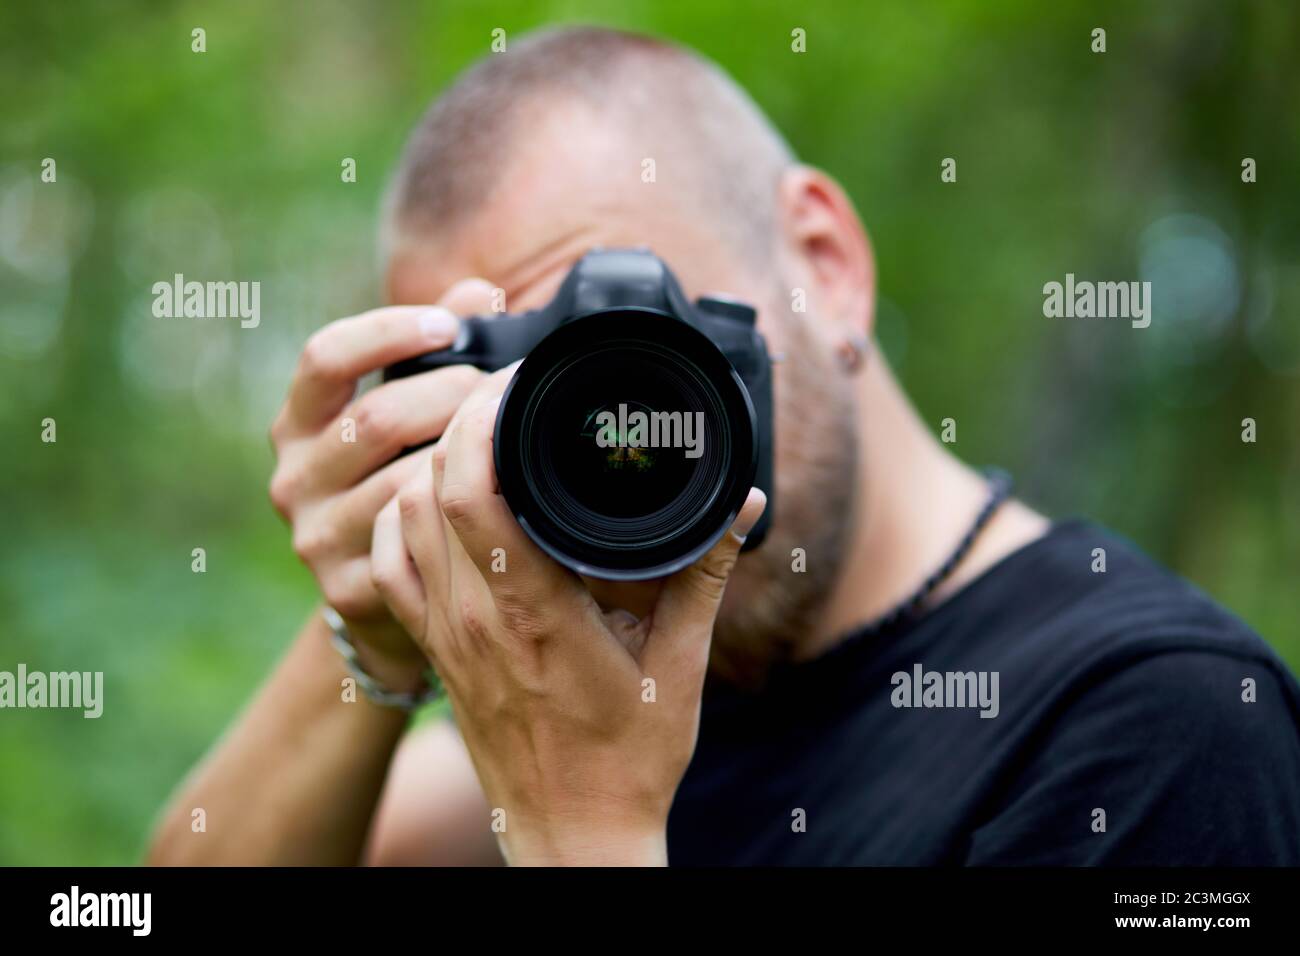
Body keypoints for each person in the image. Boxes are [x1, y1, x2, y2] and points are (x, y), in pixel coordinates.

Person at [148, 26, 1300, 867]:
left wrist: (586, 837)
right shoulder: (620, 681)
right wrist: (374, 612)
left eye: (630, 354)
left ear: (826, 264)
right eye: (508, 402)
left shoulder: (1159, 727)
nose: (602, 439)